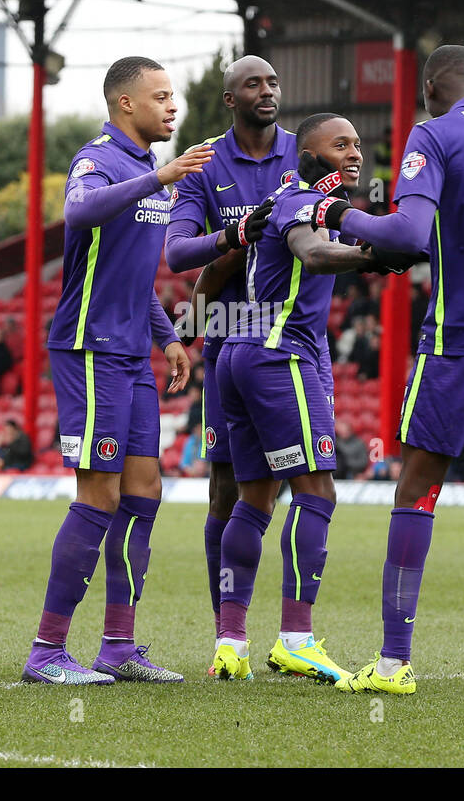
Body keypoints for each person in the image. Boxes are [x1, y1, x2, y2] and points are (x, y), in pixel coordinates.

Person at [318, 45, 464, 696]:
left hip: (462, 334)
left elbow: (410, 234)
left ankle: (394, 663)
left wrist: (336, 213)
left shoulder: (434, 134)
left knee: (416, 487)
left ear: (429, 90)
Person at [23, 56, 201, 685]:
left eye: (173, 95)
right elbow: (77, 213)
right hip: (90, 348)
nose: (171, 107)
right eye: (160, 96)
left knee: (145, 491)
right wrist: (162, 180)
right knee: (97, 494)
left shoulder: (153, 170)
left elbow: (135, 276)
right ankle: (47, 651)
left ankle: (118, 646)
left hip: (132, 352)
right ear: (126, 104)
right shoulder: (97, 159)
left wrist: (168, 340)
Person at [212, 112, 393, 684]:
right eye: (341, 144)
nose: (354, 153)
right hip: (276, 353)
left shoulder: (299, 200)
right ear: (309, 153)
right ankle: (296, 638)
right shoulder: (299, 199)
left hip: (241, 353)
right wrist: (373, 258)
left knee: (255, 500)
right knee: (316, 493)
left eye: (358, 143)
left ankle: (230, 643)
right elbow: (313, 254)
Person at [163, 55, 299, 665]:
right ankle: (228, 632)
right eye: (253, 84)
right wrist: (238, 235)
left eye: (272, 82)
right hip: (229, 341)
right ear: (229, 99)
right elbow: (178, 252)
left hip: (296, 339)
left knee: (299, 486)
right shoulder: (203, 164)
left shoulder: (304, 150)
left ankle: (296, 635)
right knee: (227, 488)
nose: (266, 91)